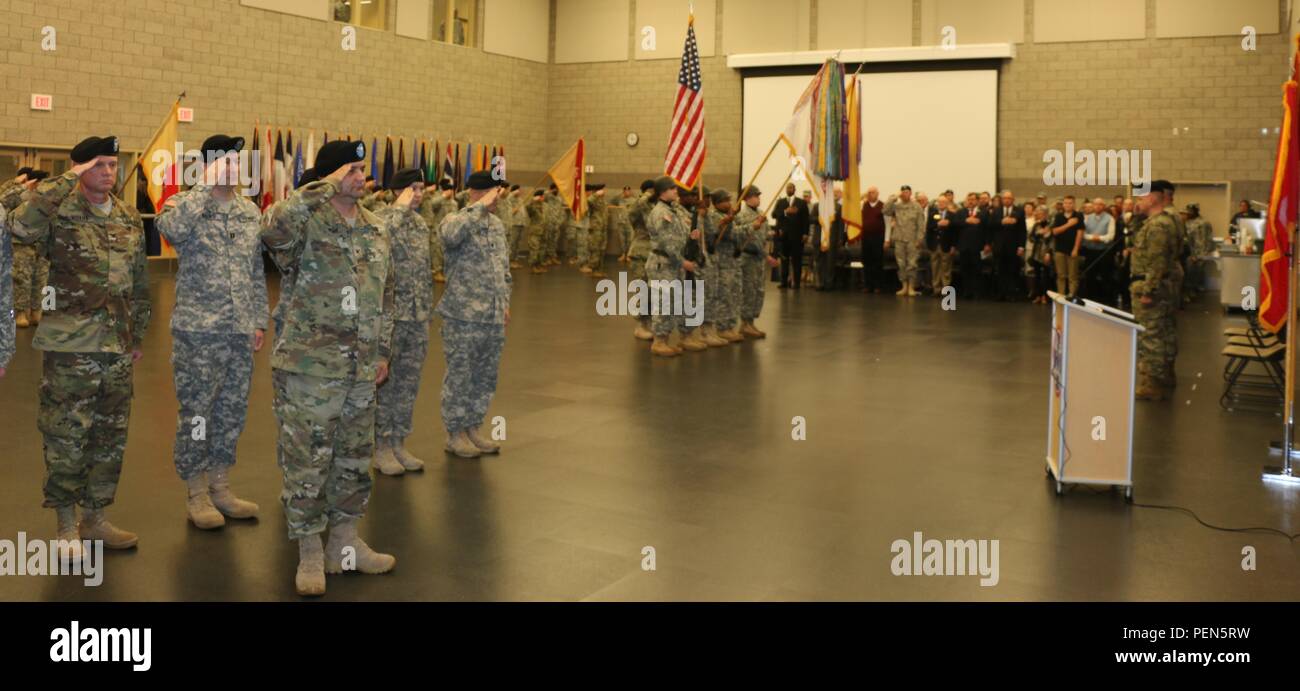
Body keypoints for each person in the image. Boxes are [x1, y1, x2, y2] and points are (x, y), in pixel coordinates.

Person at [260, 139, 396, 596]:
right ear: (333, 175)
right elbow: (271, 232)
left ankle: (344, 543)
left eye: (363, 169)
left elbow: (386, 294)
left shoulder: (377, 228)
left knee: (355, 459)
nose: (361, 177)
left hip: (360, 366)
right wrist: (317, 188)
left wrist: (382, 352)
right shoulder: (306, 221)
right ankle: (310, 552)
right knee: (308, 462)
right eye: (352, 170)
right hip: (311, 366)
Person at [10, 136, 151, 563]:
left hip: (116, 346)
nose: (109, 172)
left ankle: (95, 518)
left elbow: (140, 282)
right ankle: (66, 525)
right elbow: (19, 224)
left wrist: (137, 335)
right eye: (99, 165)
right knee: (67, 435)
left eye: (113, 165)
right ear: (79, 169)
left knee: (109, 437)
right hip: (70, 346)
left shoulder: (128, 216)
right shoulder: (59, 210)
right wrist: (63, 179)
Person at [154, 134, 266, 529]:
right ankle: (197, 491)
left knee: (231, 412)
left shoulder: (249, 212)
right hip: (198, 333)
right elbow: (169, 230)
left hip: (238, 331)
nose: (234, 170)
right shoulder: (184, 204)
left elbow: (255, 272)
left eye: (238, 163)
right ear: (207, 165)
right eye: (226, 162)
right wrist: (204, 186)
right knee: (198, 413)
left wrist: (258, 321)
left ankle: (221, 485)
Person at [437, 170, 512, 457]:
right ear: (476, 193)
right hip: (463, 315)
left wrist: (504, 302)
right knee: (461, 374)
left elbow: (503, 269)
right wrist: (477, 207)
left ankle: (472, 427)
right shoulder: (456, 220)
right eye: (494, 194)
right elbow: (449, 236)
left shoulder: (496, 226)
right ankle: (454, 433)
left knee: (484, 375)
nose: (498, 200)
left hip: (492, 315)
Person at [373, 168, 435, 476]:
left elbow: (424, 271)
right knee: (386, 383)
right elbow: (379, 244)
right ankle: (381, 446)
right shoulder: (381, 218)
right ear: (397, 191)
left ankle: (398, 441)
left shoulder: (421, 225)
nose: (419, 194)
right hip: (391, 317)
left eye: (422, 188)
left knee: (409, 383)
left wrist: (427, 310)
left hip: (417, 315)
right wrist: (398, 208)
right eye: (413, 188)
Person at [1129, 180, 1184, 400]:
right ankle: (1166, 374)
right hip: (1163, 284)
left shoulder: (1158, 226)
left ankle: (1152, 383)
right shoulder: (1162, 221)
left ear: (1152, 198)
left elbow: (1157, 261)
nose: (1137, 202)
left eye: (1140, 198)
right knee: (1165, 330)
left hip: (1151, 285)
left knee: (1150, 334)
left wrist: (1148, 291)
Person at [646, 177, 698, 356]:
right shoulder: (662, 212)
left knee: (672, 302)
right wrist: (683, 262)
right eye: (672, 188)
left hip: (672, 263)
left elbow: (679, 236)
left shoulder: (671, 210)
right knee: (664, 302)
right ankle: (659, 341)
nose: (676, 191)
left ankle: (665, 339)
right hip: (664, 263)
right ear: (662, 192)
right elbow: (668, 242)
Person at [2, 169, 51, 328]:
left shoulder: (48, 198)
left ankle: (37, 311)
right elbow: (3, 198)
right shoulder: (20, 195)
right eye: (39, 182)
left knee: (41, 279)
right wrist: (17, 184)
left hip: (42, 244)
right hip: (22, 244)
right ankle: (20, 313)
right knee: (21, 279)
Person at [703, 188, 744, 343]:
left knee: (733, 294)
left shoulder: (730, 217)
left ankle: (729, 325)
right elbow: (721, 234)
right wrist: (724, 224)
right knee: (723, 294)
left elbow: (736, 235)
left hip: (731, 261)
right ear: (717, 203)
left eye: (729, 200)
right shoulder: (714, 216)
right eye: (725, 200)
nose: (729, 203)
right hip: (720, 261)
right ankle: (722, 327)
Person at [625, 179, 656, 340]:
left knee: (652, 290)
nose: (653, 194)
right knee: (642, 289)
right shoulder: (639, 206)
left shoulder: (654, 208)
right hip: (640, 253)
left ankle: (649, 321)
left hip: (654, 254)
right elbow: (632, 214)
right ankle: (640, 325)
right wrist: (645, 197)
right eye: (650, 191)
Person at [884, 185, 924, 298]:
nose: (905, 194)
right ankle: (904, 286)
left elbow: (921, 224)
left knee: (912, 264)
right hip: (899, 239)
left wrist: (919, 239)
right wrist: (893, 198)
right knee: (901, 264)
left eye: (907, 192)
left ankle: (911, 287)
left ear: (911, 193)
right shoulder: (896, 206)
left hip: (912, 239)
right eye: (903, 192)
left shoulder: (917, 207)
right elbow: (885, 211)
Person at [1080, 197, 1117, 304]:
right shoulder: (1087, 218)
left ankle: (1106, 301)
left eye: (1100, 204)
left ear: (1104, 206)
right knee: (1090, 276)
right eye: (1095, 204)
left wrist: (1099, 238)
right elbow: (1083, 234)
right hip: (1090, 251)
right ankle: (1090, 299)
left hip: (1104, 252)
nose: (1097, 206)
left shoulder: (1110, 218)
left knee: (1106, 277)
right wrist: (1093, 238)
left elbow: (1110, 236)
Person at [990, 191, 1025, 301]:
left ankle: (1011, 294)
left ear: (1013, 199)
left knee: (1012, 270)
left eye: (1009, 198)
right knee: (1000, 270)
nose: (1006, 200)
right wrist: (1002, 221)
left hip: (1013, 246)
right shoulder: (996, 211)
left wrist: (1021, 246)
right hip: (999, 246)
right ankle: (1001, 293)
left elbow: (1022, 230)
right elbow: (991, 225)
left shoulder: (1019, 211)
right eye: (1004, 198)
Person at [773, 182, 808, 290]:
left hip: (797, 237)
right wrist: (785, 212)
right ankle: (784, 282)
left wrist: (805, 233)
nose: (789, 189)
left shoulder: (801, 202)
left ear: (794, 189)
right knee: (784, 260)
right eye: (787, 187)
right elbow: (773, 214)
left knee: (797, 260)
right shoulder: (781, 202)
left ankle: (796, 283)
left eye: (791, 187)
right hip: (784, 237)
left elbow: (806, 219)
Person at [956, 192, 989, 300]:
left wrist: (987, 243)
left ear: (977, 201)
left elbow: (987, 228)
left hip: (977, 245)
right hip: (964, 245)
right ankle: (966, 291)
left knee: (976, 269)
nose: (970, 201)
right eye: (969, 199)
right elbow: (956, 223)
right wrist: (967, 220)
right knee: (964, 269)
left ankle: (976, 291)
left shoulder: (984, 212)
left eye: (973, 199)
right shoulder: (961, 212)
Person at [1051, 195, 1084, 298]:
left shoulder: (1078, 215)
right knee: (1061, 275)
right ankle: (1060, 296)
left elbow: (1080, 233)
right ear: (1063, 204)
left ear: (1074, 204)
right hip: (1059, 249)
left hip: (1072, 249)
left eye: (1070, 203)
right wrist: (1068, 224)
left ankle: (1071, 295)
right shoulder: (1058, 216)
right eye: (1066, 203)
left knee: (1072, 276)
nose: (1068, 205)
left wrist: (1075, 249)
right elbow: (1055, 231)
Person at [1181, 203, 1213, 305]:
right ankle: (1191, 292)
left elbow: (1208, 238)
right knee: (1191, 274)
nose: (1187, 213)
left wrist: (1203, 253)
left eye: (1190, 211)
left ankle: (1193, 291)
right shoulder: (1187, 223)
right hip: (1192, 253)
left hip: (1198, 253)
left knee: (1194, 274)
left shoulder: (1203, 223)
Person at [1026, 206, 1055, 304]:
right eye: (1038, 213)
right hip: (1036, 254)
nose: (1039, 215)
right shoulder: (1036, 225)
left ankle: (1045, 297)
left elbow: (1052, 240)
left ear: (1046, 214)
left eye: (1041, 213)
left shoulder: (1051, 224)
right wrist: (1038, 234)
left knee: (1046, 276)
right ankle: (1038, 295)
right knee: (1037, 275)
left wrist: (1049, 253)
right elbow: (1030, 238)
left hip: (1046, 253)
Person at [859, 187, 886, 293]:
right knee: (866, 261)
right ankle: (867, 285)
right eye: (869, 192)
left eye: (872, 192)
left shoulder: (883, 206)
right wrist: (862, 196)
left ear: (877, 194)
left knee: (877, 262)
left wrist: (887, 240)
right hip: (866, 237)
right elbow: (853, 206)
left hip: (878, 237)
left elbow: (887, 224)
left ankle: (877, 285)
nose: (870, 194)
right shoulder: (863, 205)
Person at [585, 183, 609, 278]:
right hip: (596, 228)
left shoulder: (602, 201)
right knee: (595, 249)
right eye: (602, 190)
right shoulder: (593, 199)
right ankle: (594, 270)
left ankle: (599, 269)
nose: (604, 192)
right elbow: (588, 201)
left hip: (602, 228)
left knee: (602, 249)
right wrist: (595, 194)